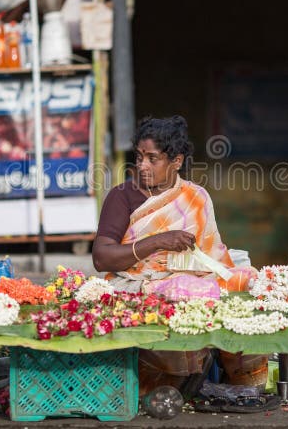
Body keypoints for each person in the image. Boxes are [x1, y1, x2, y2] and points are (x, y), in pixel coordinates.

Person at [93, 116, 255, 395]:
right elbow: (102, 258)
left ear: (176, 161)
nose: (142, 165)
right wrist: (157, 241)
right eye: (139, 156)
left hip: (193, 283)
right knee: (175, 303)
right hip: (137, 286)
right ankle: (166, 385)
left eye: (152, 159)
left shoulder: (196, 197)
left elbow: (212, 255)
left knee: (247, 289)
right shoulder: (123, 197)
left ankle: (242, 386)